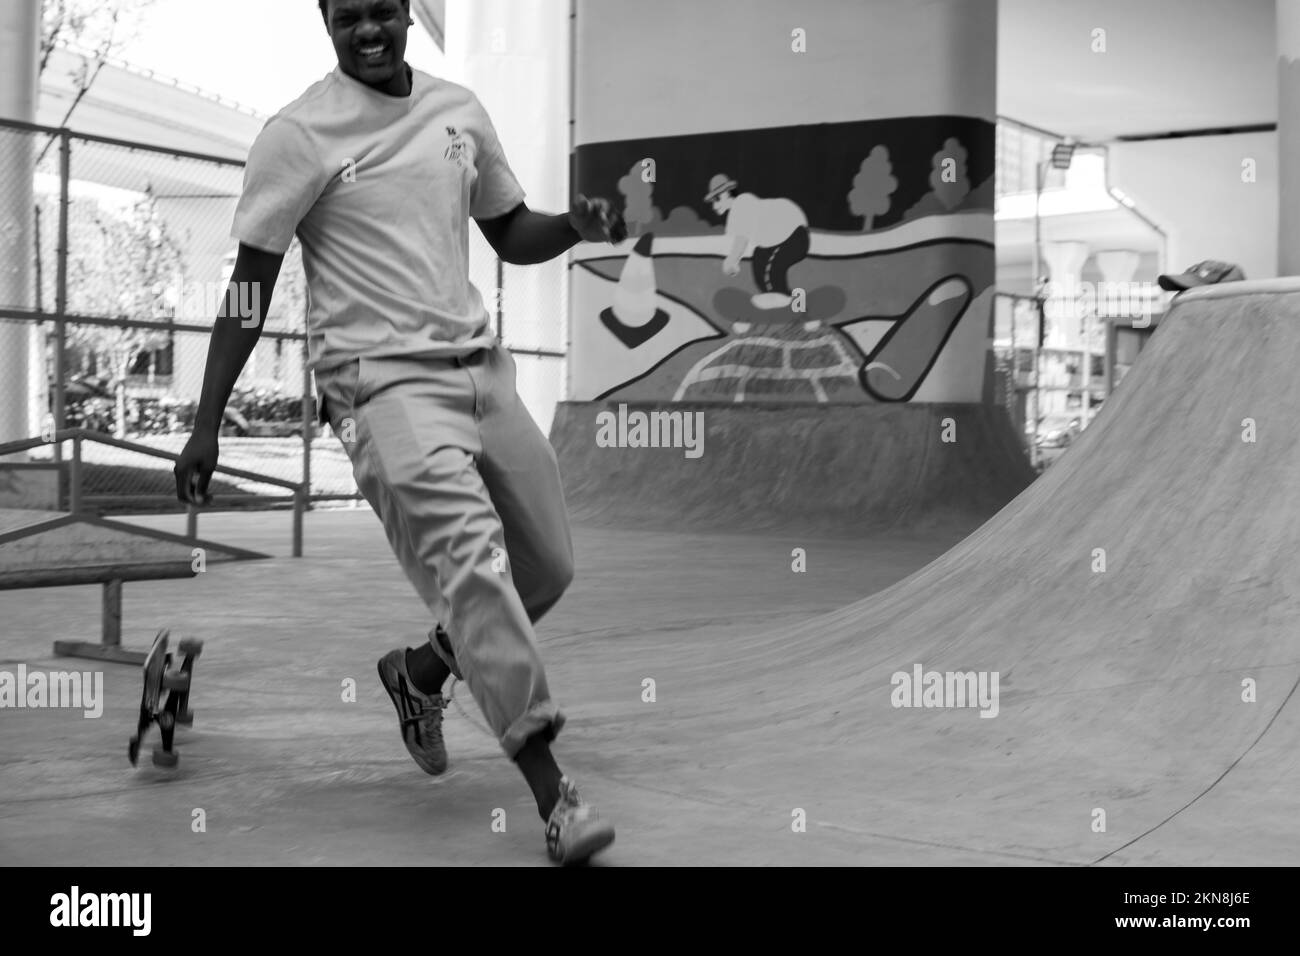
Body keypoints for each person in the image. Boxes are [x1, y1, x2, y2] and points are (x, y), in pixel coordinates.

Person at [173, 0, 627, 865]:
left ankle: (420, 674)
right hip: (380, 388)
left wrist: (574, 226)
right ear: (325, 19)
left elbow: (509, 229)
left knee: (547, 567)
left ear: (408, 11)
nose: (368, 31)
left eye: (382, 11)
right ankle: (555, 796)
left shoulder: (457, 110)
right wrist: (205, 422)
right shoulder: (298, 134)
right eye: (349, 19)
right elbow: (249, 285)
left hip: (480, 373)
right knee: (475, 565)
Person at [705, 173, 810, 309]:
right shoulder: (739, 209)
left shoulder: (742, 203)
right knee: (760, 261)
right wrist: (734, 261)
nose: (714, 206)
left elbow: (741, 240)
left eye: (717, 199)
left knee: (772, 269)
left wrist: (731, 261)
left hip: (795, 236)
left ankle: (781, 299)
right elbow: (741, 238)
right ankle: (793, 302)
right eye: (713, 201)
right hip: (780, 240)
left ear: (727, 193)